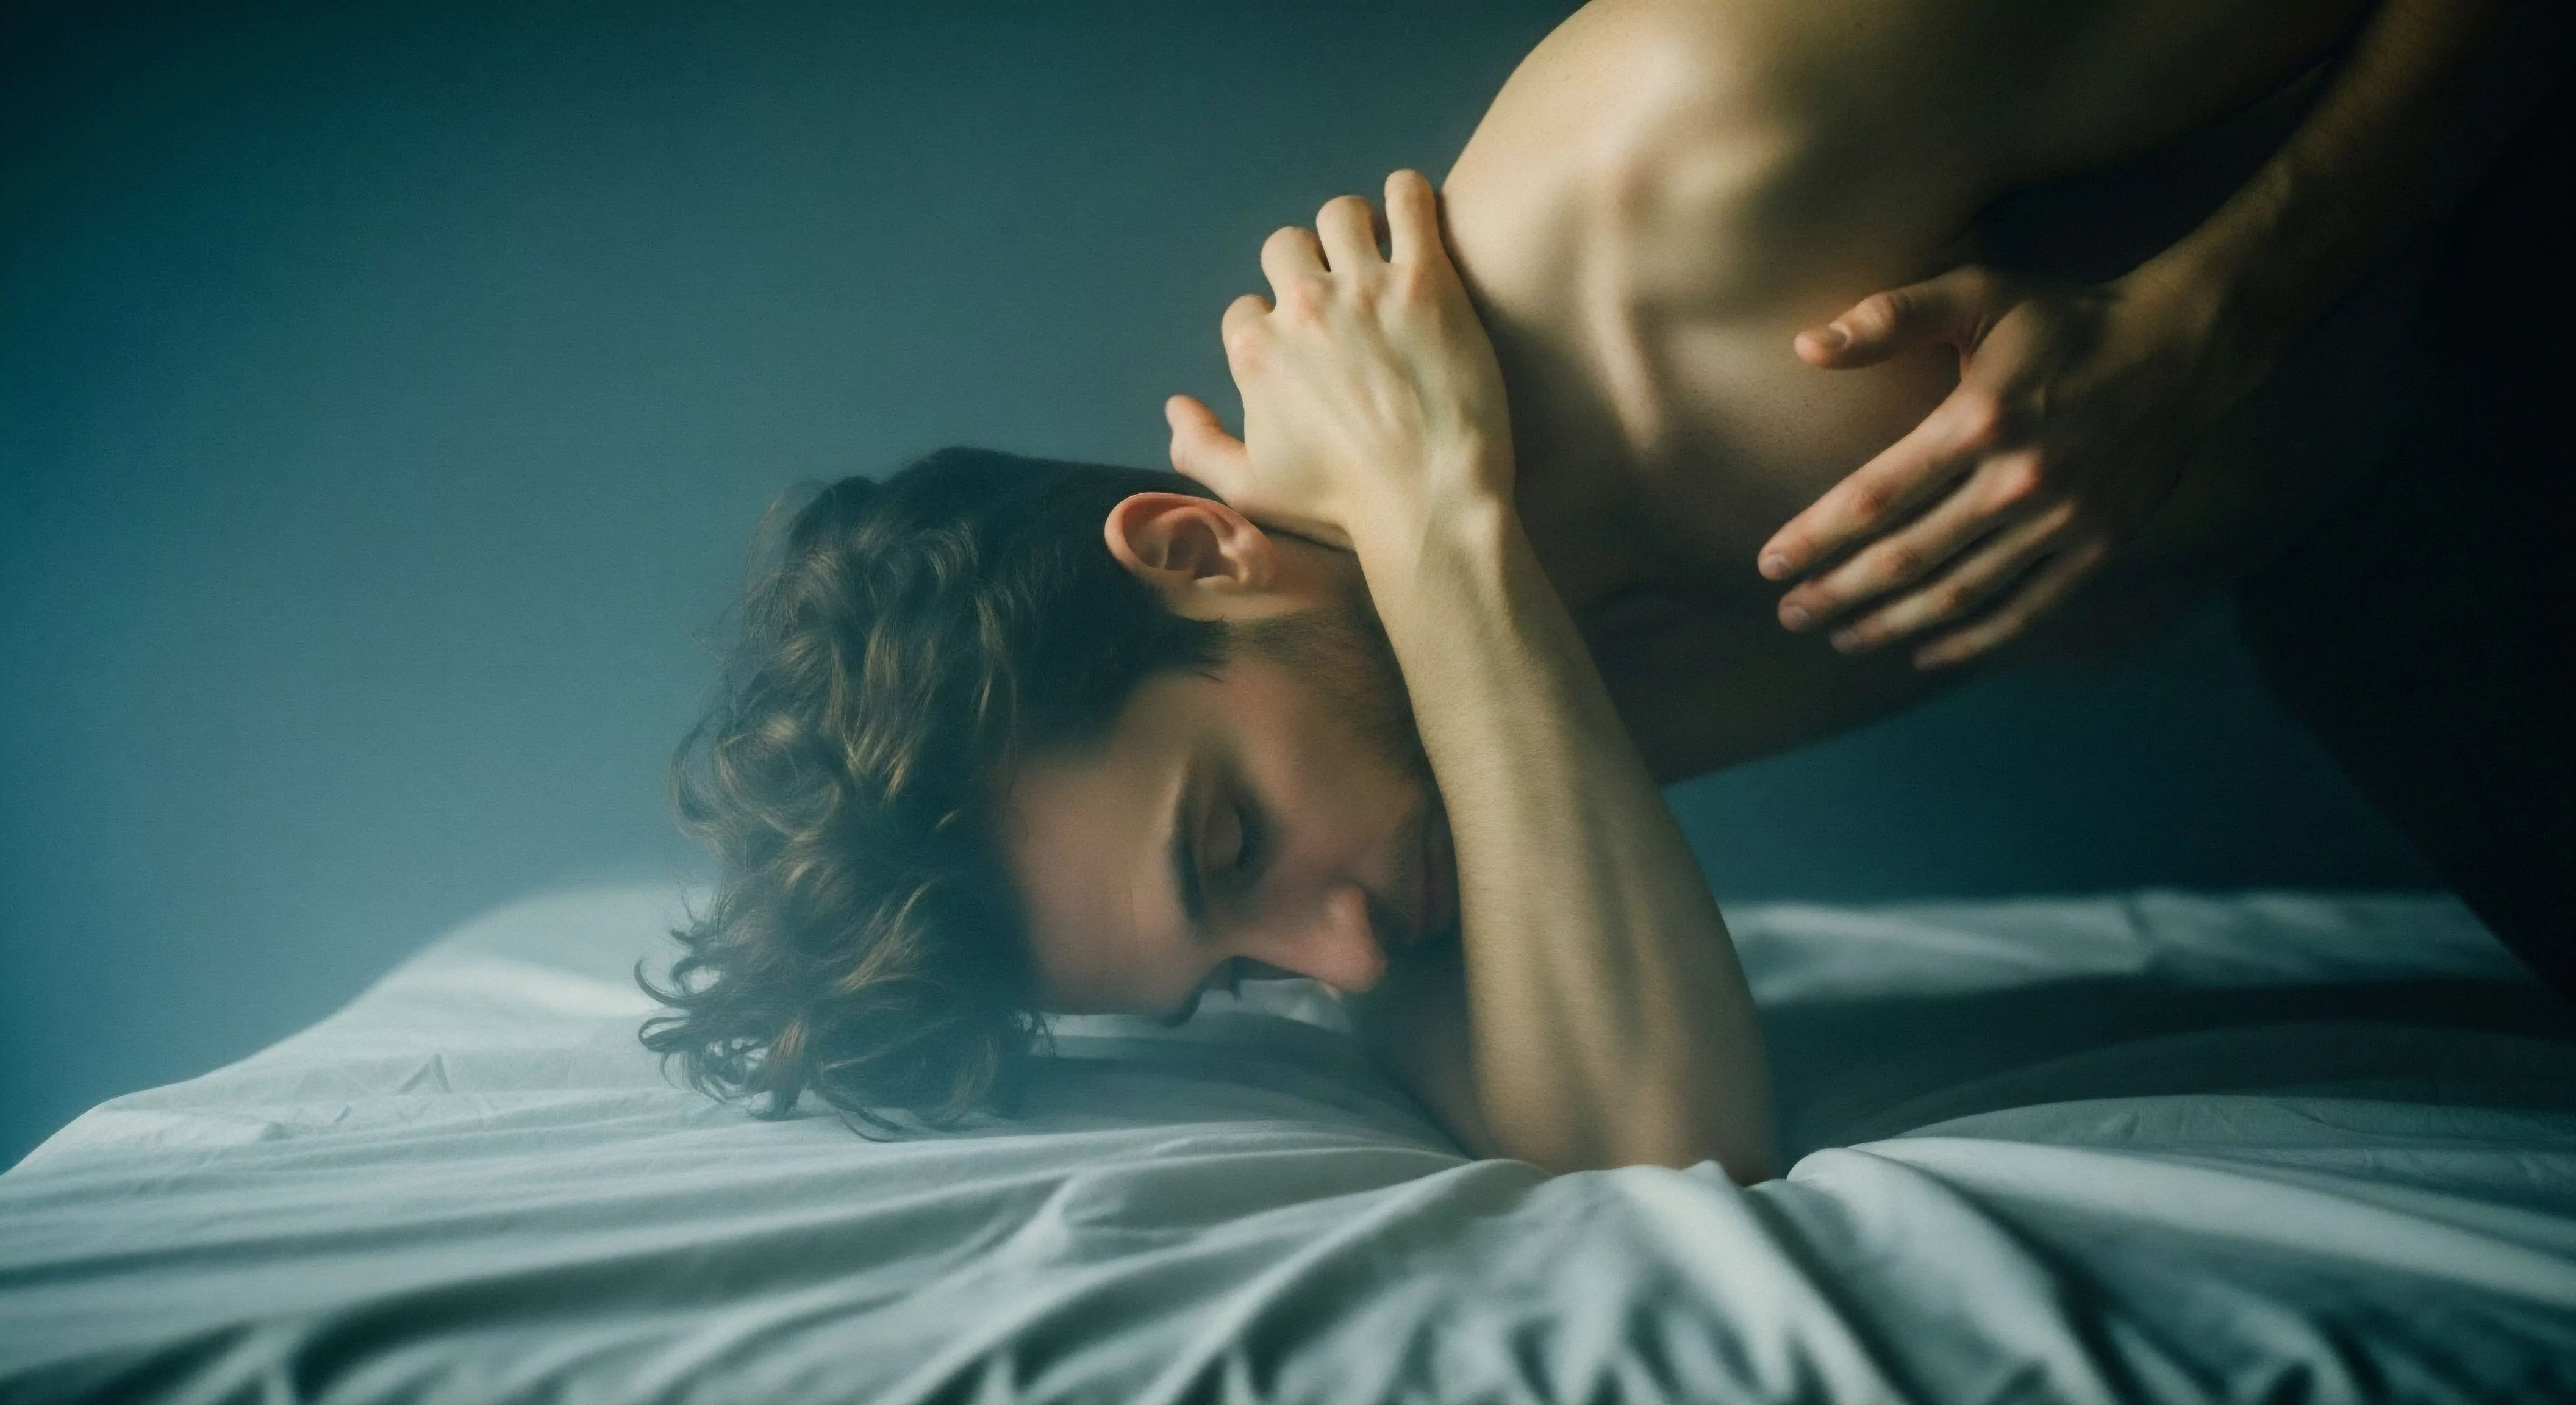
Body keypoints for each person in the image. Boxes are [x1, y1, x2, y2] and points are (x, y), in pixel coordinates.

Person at [644, 0, 2571, 1181]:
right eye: (1228, 973)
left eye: (1225, 846)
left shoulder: (1695, 153)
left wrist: (2208, 319)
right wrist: (1446, 541)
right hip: (2385, 588)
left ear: (1195, 549)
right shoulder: (1413, 778)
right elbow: (1664, 1147)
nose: (1331, 960)